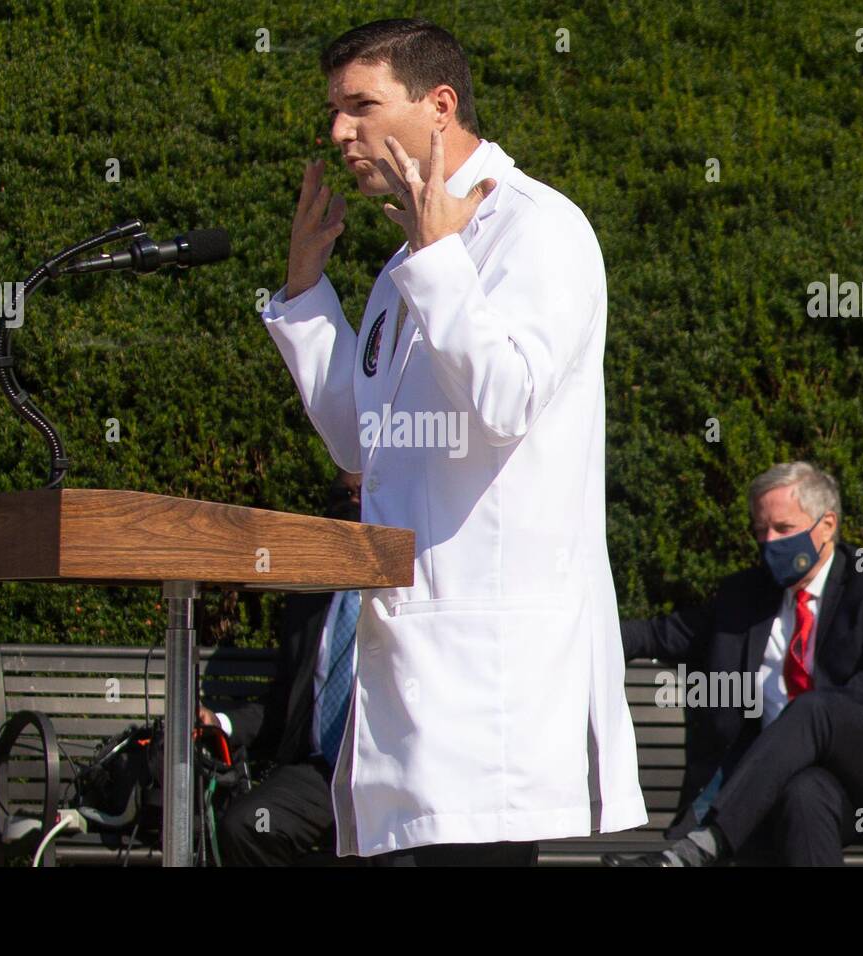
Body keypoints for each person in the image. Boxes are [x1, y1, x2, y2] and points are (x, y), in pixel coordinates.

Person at [260, 17, 647, 864]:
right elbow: (364, 445)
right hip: (408, 688)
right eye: (333, 110)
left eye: (362, 105)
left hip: (492, 694)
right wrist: (305, 295)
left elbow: (505, 400)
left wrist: (437, 259)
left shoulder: (538, 229)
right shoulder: (410, 263)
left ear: (439, 105)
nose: (337, 133)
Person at [604, 461, 863, 866]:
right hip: (809, 792)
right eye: (760, 531)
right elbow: (657, 634)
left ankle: (705, 845)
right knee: (805, 793)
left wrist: (811, 725)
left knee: (813, 708)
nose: (770, 542)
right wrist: (567, 638)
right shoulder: (746, 598)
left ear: (827, 524)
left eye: (783, 529)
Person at [201, 471, 363, 865]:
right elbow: (282, 708)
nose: (352, 501)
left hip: (394, 772)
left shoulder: (418, 593)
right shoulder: (310, 600)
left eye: (363, 492)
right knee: (246, 826)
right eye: (343, 492)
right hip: (321, 775)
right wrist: (219, 722)